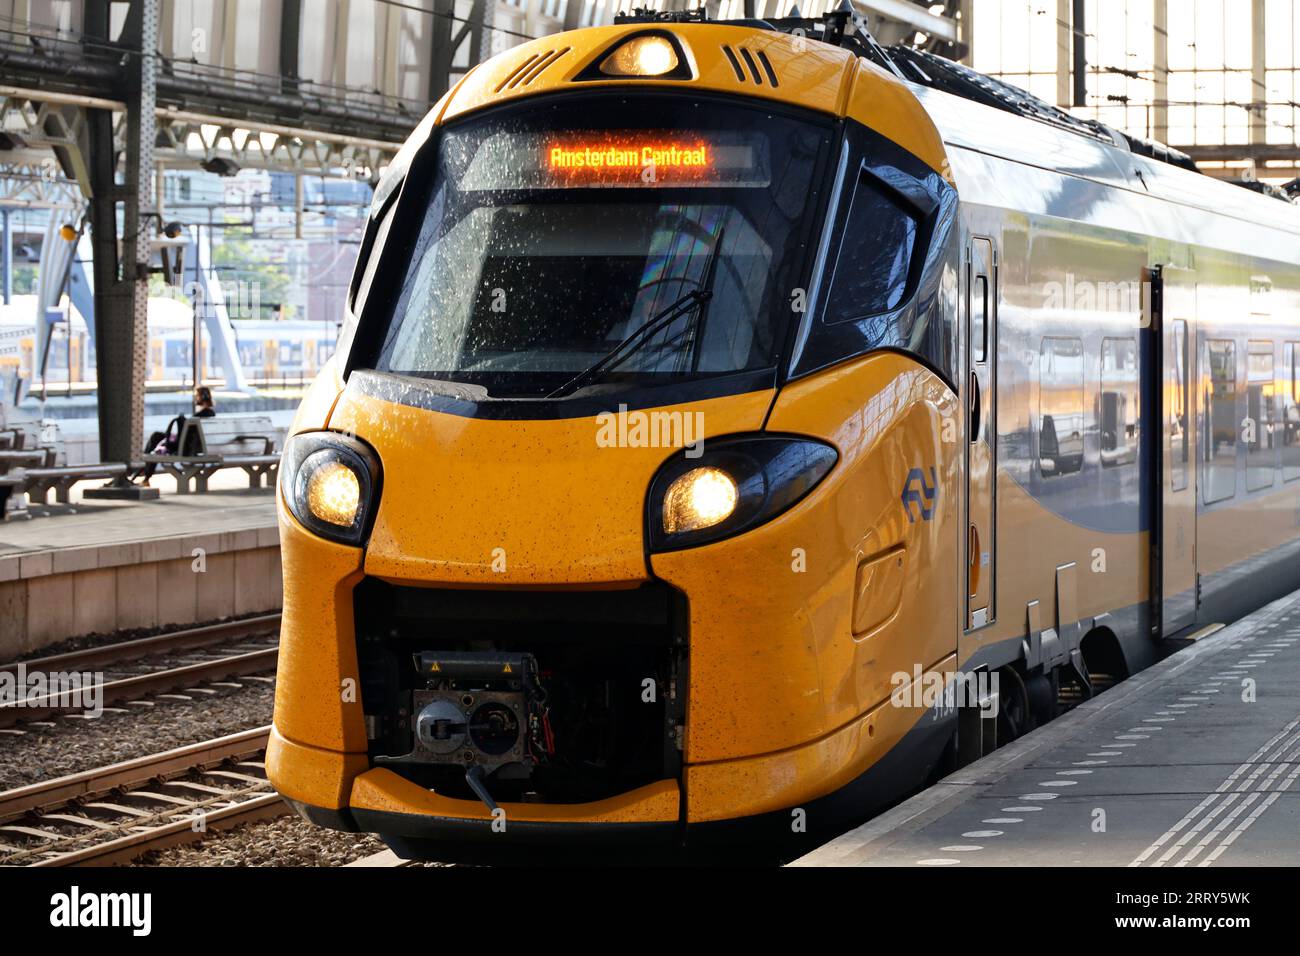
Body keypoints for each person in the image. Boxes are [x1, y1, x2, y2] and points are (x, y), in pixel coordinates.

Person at [138, 387, 217, 486]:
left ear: (202, 397)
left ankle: (145, 472)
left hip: (185, 449)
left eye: (197, 395)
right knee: (157, 437)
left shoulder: (201, 414)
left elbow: (186, 435)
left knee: (156, 437)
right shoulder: (211, 414)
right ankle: (145, 472)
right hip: (196, 448)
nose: (196, 398)